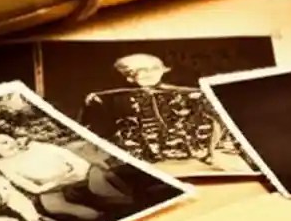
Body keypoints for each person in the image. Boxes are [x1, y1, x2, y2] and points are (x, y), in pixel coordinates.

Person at [78, 53, 235, 167]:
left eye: (154, 68)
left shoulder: (192, 94)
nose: (148, 74)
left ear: (163, 70)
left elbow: (219, 122)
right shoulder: (105, 99)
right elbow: (94, 132)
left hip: (192, 159)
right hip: (136, 162)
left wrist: (210, 150)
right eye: (139, 70)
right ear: (126, 75)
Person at [0, 130, 133, 221]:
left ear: (13, 139)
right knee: (54, 206)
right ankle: (97, 218)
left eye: (4, 141)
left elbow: (74, 161)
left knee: (100, 187)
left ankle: (128, 205)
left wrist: (74, 174)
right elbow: (28, 186)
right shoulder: (4, 164)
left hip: (79, 173)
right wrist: (51, 185)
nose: (2, 147)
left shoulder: (37, 147)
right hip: (50, 185)